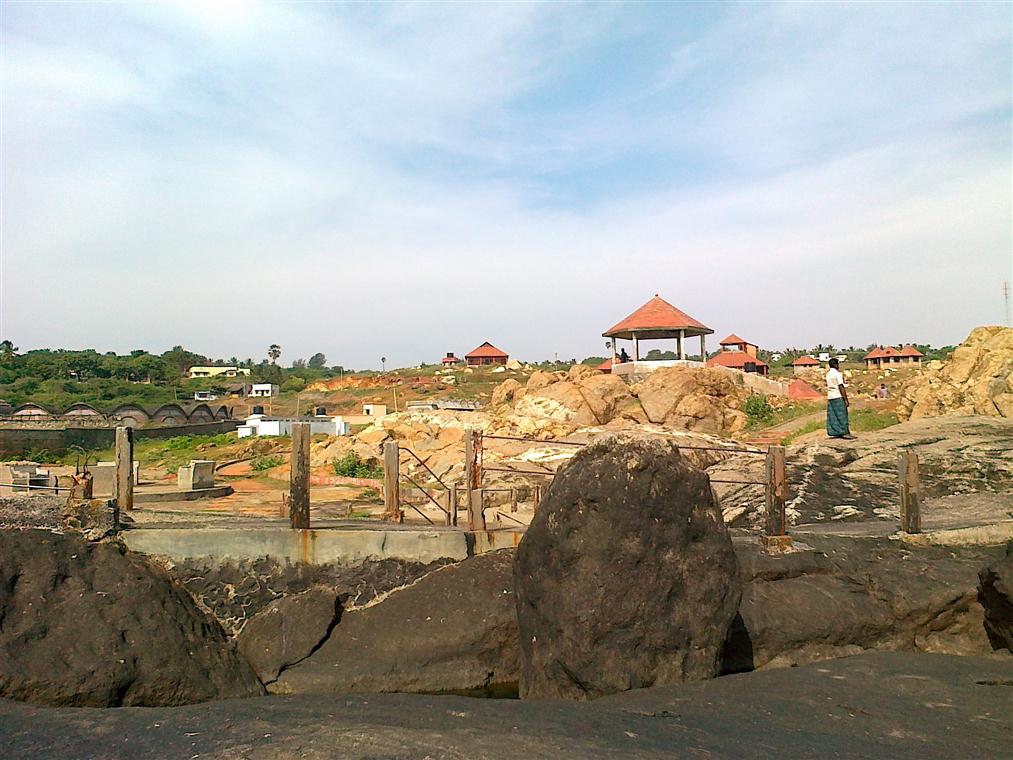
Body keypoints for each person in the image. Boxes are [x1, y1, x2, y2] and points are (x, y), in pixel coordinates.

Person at [826, 358, 855, 439]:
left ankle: (835, 431)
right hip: (838, 396)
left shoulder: (828, 374)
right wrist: (845, 399)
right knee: (842, 414)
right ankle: (845, 432)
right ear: (835, 365)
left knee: (833, 415)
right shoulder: (837, 374)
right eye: (838, 364)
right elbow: (841, 386)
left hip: (830, 396)